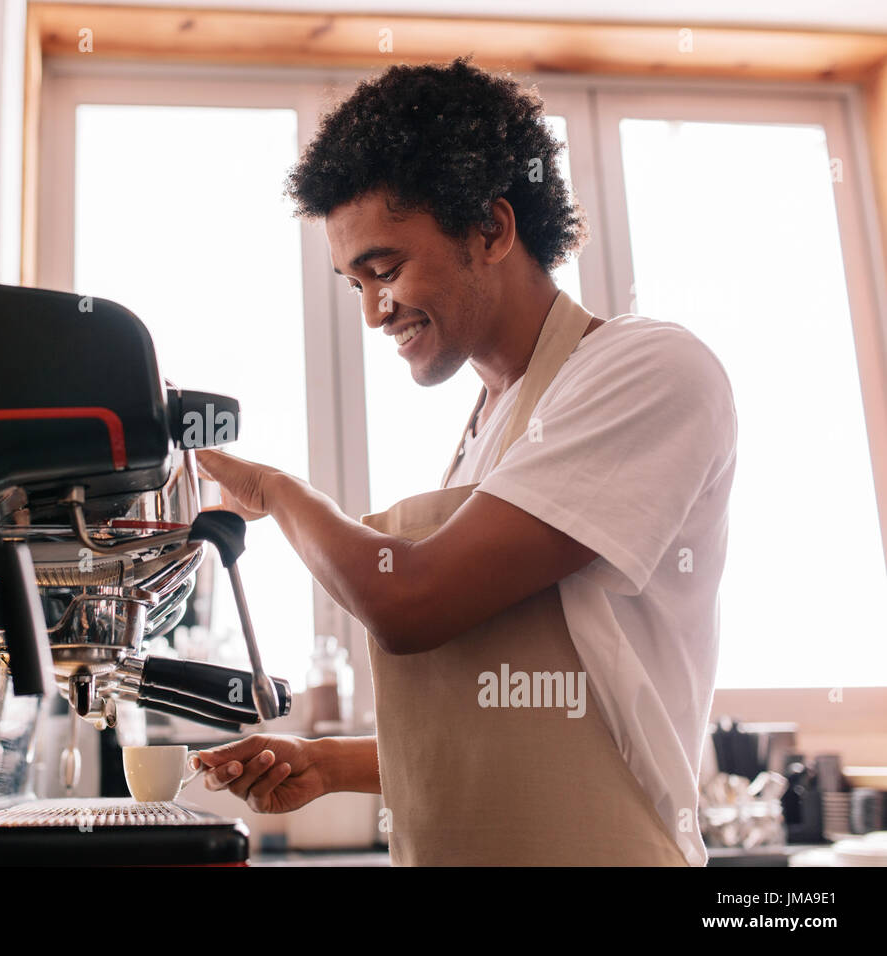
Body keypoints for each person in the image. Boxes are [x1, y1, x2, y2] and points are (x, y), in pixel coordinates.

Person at [191, 57, 737, 866]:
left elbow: (409, 599)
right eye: (354, 285)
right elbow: (515, 722)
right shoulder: (487, 430)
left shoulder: (646, 370)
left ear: (492, 228)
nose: (375, 312)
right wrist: (331, 764)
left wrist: (278, 492)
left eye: (386, 270)